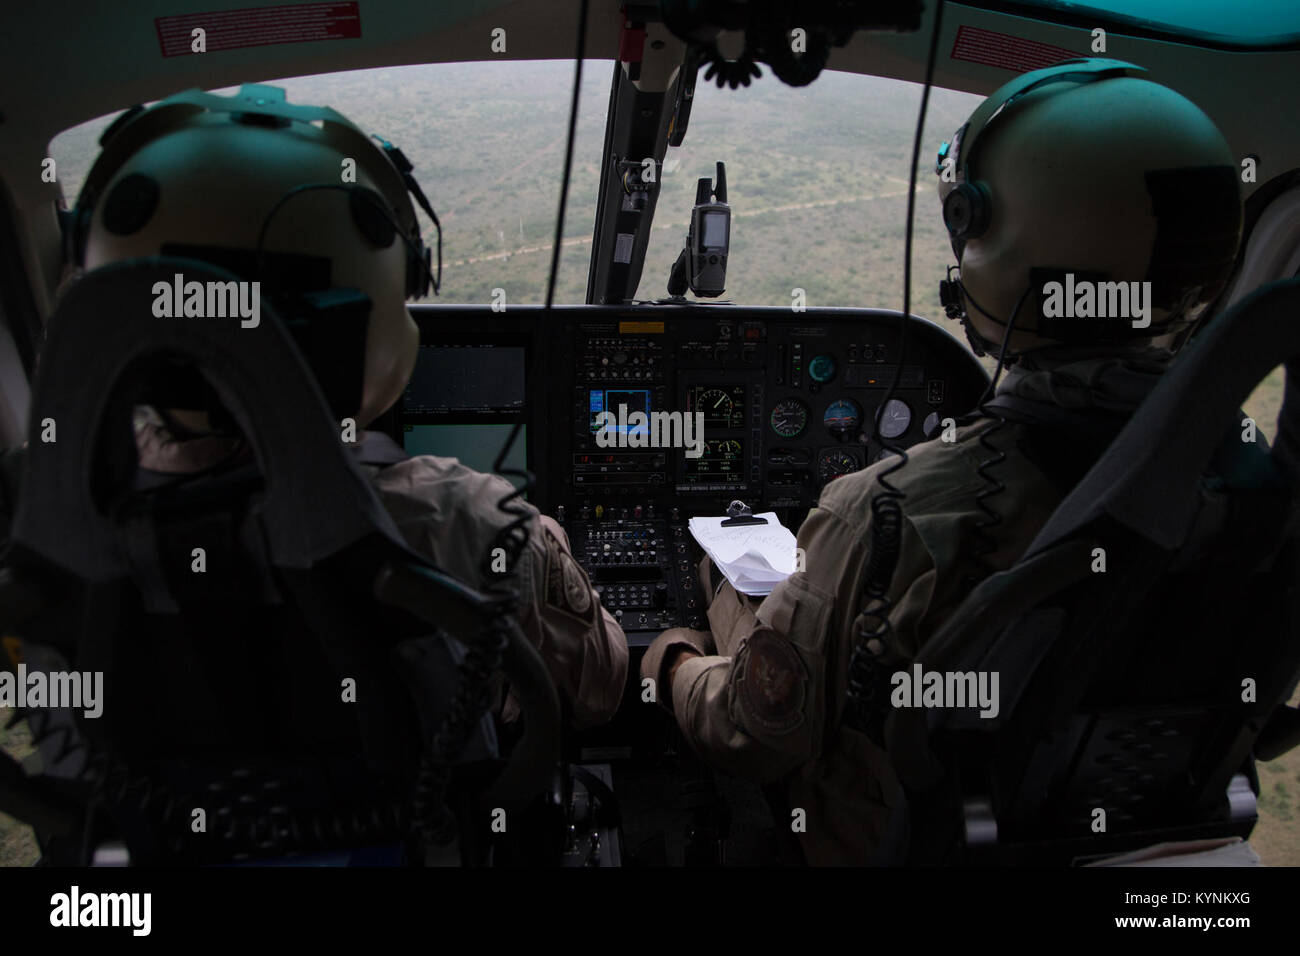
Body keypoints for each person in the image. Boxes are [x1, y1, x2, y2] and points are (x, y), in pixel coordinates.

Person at [641, 59, 1246, 863]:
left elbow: (754, 735)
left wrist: (671, 657)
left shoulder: (890, 511)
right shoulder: (1254, 485)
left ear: (993, 237)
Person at [71, 83, 628, 731]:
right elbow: (600, 689)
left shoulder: (55, 507)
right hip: (433, 829)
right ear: (381, 333)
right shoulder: (468, 523)